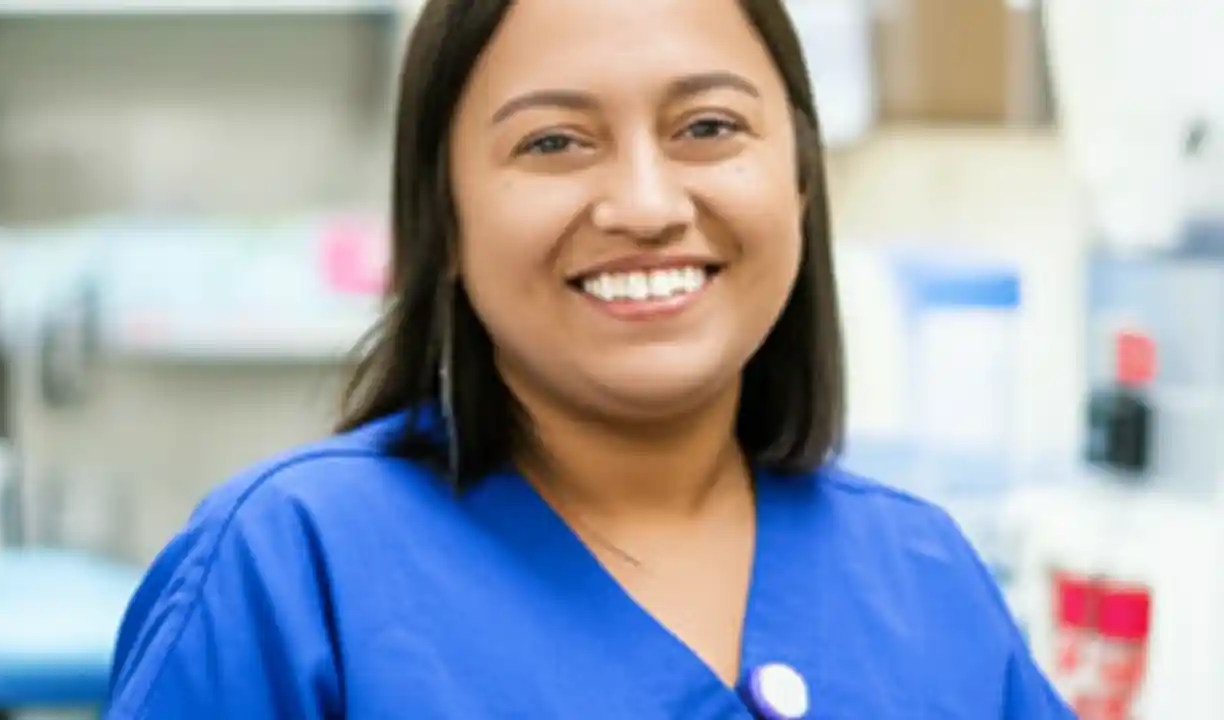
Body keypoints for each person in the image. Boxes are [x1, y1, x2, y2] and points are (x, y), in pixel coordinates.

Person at [105, 0, 1076, 717]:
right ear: (440, 219)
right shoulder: (288, 569)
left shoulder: (925, 577)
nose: (646, 206)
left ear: (799, 182)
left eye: (706, 128)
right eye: (555, 141)